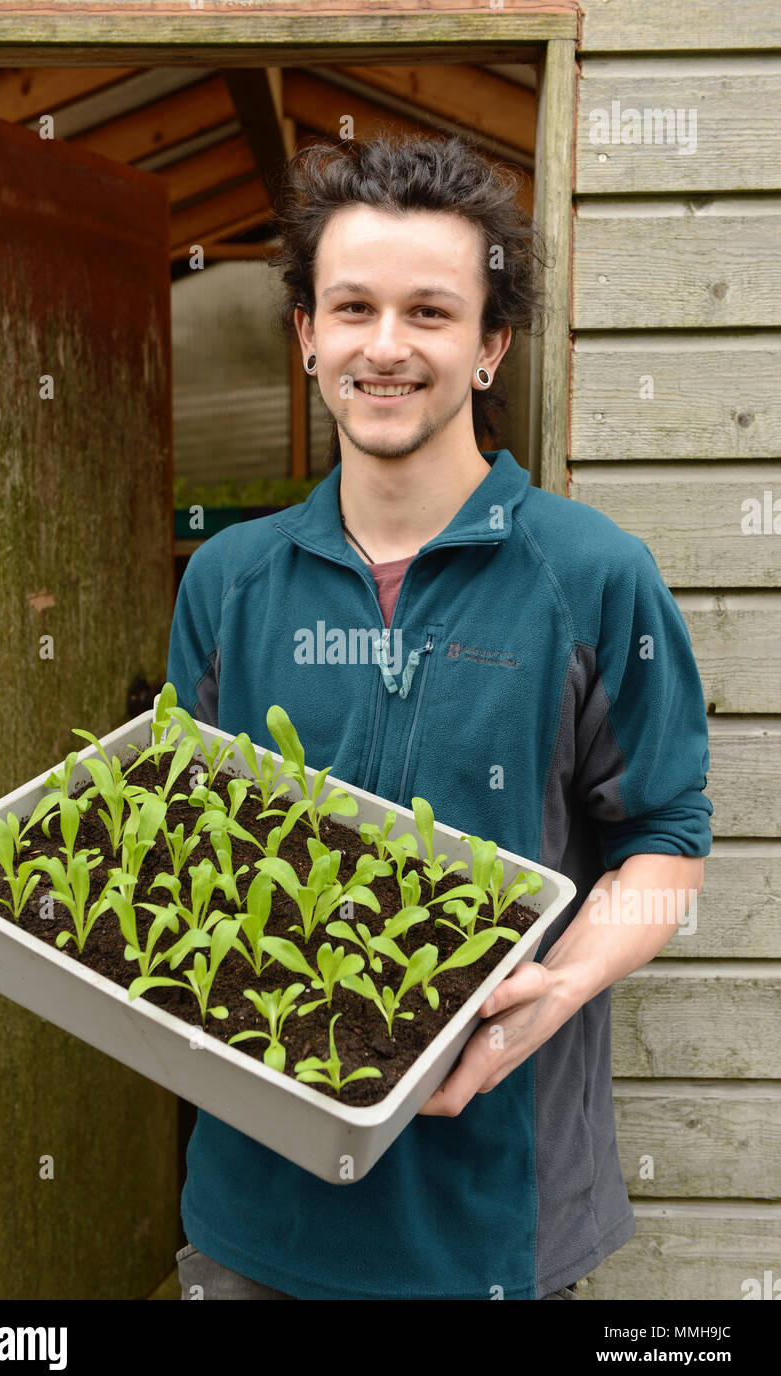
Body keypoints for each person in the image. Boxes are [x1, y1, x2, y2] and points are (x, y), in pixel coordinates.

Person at [166, 134, 712, 1300]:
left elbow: (667, 843)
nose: (384, 345)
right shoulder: (230, 579)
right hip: (250, 1223)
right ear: (307, 333)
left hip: (490, 1227)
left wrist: (554, 990)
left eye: (429, 312)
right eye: (351, 306)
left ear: (488, 346)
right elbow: (187, 846)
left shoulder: (592, 574)